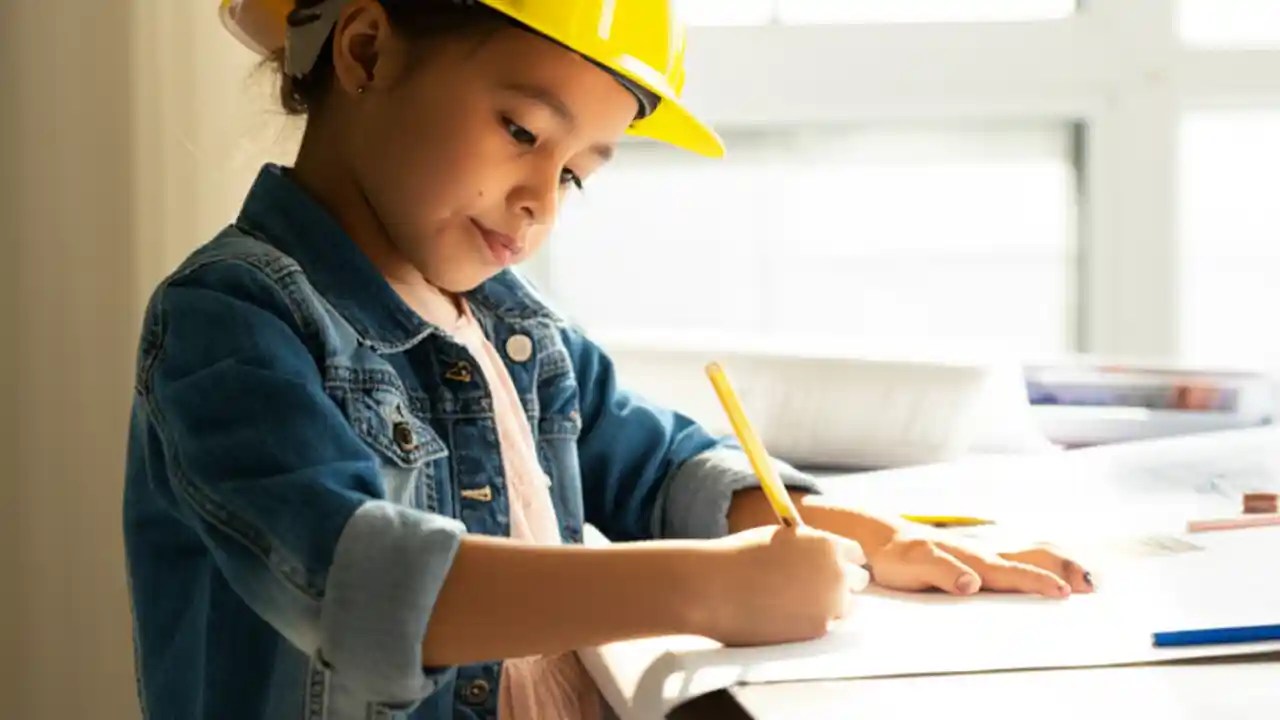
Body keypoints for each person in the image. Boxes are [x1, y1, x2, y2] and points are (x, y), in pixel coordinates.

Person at [122, 1, 1095, 718]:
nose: (541, 199)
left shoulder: (512, 326)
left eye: (576, 173)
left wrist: (866, 536)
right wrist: (710, 588)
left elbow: (659, 464)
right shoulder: (234, 321)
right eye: (521, 132)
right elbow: (357, 591)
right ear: (368, 49)